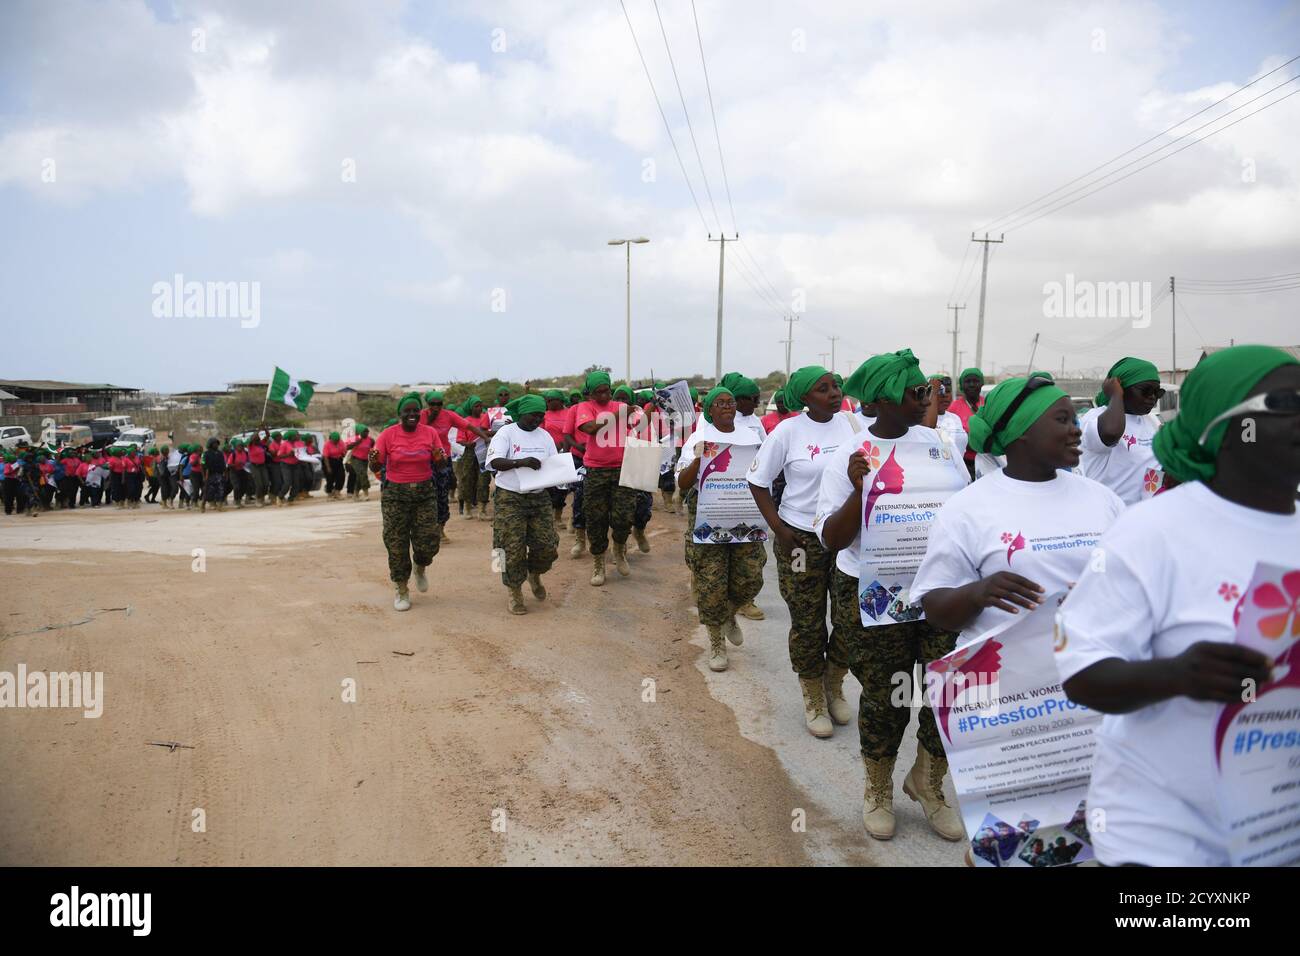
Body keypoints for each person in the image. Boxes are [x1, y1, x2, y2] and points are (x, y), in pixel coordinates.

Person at [1057, 345, 1300, 866]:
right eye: (1285, 402)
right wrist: (1178, 675)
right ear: (1227, 425)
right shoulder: (1151, 533)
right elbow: (1081, 675)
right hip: (1167, 840)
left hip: (1278, 833)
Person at [815, 350, 966, 841]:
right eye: (918, 391)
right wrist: (860, 489)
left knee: (951, 689)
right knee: (887, 695)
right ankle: (877, 785)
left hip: (936, 587)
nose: (929, 397)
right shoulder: (849, 455)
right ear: (883, 399)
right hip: (874, 589)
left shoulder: (937, 445)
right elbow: (832, 539)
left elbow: (963, 511)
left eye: (929, 390)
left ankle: (927, 780)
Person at [911, 376, 1124, 650]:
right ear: (1021, 430)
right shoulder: (966, 510)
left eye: (1074, 420)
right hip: (1006, 683)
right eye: (1062, 420)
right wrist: (977, 594)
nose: (1076, 431)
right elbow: (936, 610)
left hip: (1092, 674)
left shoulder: (1104, 500)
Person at [748, 365, 859, 737]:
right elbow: (758, 480)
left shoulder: (853, 425)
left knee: (850, 617)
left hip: (844, 536)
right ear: (804, 397)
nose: (833, 392)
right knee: (808, 619)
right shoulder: (787, 431)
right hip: (801, 539)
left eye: (836, 385)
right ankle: (812, 695)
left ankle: (834, 682)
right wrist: (778, 528)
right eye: (823, 388)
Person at [677, 386, 768, 671]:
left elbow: (763, 472)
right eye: (720, 402)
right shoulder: (698, 437)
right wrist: (698, 458)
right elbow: (682, 482)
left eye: (731, 401)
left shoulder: (751, 437)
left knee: (750, 577)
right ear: (710, 410)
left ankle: (729, 612)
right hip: (709, 517)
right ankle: (716, 640)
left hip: (744, 516)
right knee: (711, 582)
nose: (727, 406)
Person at [371, 393, 448, 611]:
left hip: (424, 493)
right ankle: (401, 588)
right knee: (396, 543)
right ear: (400, 414)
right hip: (395, 495)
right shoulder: (388, 435)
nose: (412, 414)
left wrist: (439, 458)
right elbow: (376, 467)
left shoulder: (430, 433)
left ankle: (420, 566)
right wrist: (373, 461)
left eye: (416, 410)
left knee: (429, 541)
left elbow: (441, 466)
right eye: (408, 411)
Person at [487, 394, 561, 615]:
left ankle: (534, 573)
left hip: (538, 497)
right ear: (522, 413)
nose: (537, 419)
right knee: (509, 548)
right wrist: (521, 462)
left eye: (541, 415)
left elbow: (553, 463)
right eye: (533, 415)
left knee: (548, 546)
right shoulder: (506, 433)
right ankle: (514, 591)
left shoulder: (545, 436)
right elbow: (493, 462)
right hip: (510, 497)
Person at [572, 371, 641, 586]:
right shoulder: (586, 408)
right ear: (590, 393)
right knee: (596, 518)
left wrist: (647, 408)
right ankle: (598, 562)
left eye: (606, 391)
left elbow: (641, 424)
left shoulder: (620, 407)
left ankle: (619, 550)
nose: (603, 396)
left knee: (624, 517)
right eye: (598, 392)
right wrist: (620, 414)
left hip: (622, 468)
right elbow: (590, 428)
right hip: (596, 471)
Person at [1078, 356, 1164, 505]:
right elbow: (1111, 434)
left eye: (1157, 392)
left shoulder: (1151, 422)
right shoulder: (1097, 417)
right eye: (1146, 391)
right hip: (1105, 515)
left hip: (1139, 517)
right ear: (1121, 388)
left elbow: (1154, 469)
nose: (1152, 397)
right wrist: (1115, 395)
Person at [541, 390, 572, 529]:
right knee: (548, 487)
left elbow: (572, 432)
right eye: (547, 400)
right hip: (547, 455)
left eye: (551, 400)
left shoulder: (569, 413)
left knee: (562, 487)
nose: (548, 403)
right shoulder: (544, 415)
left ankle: (558, 517)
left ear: (560, 401)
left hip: (566, 454)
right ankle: (548, 517)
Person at [948, 367, 985, 478]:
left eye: (975, 381)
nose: (972, 384)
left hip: (987, 461)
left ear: (981, 383)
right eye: (968, 381)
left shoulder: (988, 404)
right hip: (963, 463)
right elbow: (948, 436)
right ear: (962, 385)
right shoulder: (953, 407)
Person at [346, 425, 374, 501]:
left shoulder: (371, 440)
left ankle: (356, 493)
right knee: (363, 474)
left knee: (359, 476)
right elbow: (347, 447)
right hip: (355, 459)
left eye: (367, 431)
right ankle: (366, 493)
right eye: (364, 432)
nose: (366, 433)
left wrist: (373, 459)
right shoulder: (355, 438)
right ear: (359, 432)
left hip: (365, 460)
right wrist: (356, 443)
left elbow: (372, 449)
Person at [322, 431, 347, 500]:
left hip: (338, 460)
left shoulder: (341, 442)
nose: (336, 442)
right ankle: (329, 493)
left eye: (337, 440)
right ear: (331, 439)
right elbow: (325, 457)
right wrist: (328, 467)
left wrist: (343, 454)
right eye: (335, 441)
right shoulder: (327, 444)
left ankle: (337, 492)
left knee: (341, 476)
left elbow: (344, 451)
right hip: (328, 461)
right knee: (330, 478)